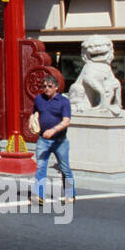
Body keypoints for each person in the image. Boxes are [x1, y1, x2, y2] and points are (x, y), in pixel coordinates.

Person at [32, 72, 75, 206]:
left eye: (50, 86)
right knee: (41, 167)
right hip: (43, 140)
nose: (46, 89)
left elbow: (66, 120)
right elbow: (35, 113)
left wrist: (53, 130)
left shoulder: (64, 101)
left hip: (60, 141)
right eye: (44, 86)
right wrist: (31, 122)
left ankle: (69, 194)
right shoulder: (39, 99)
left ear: (56, 87)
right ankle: (39, 195)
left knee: (65, 168)